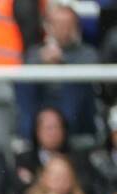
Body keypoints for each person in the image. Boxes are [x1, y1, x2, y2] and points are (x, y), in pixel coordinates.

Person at [16, 4, 99, 139]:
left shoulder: (88, 53)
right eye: (59, 24)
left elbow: (91, 81)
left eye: (69, 24)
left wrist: (62, 62)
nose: (64, 29)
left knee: (76, 87)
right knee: (24, 85)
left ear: (77, 27)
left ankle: (68, 133)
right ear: (47, 26)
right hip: (41, 106)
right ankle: (26, 137)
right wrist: (40, 63)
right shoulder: (35, 53)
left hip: (76, 112)